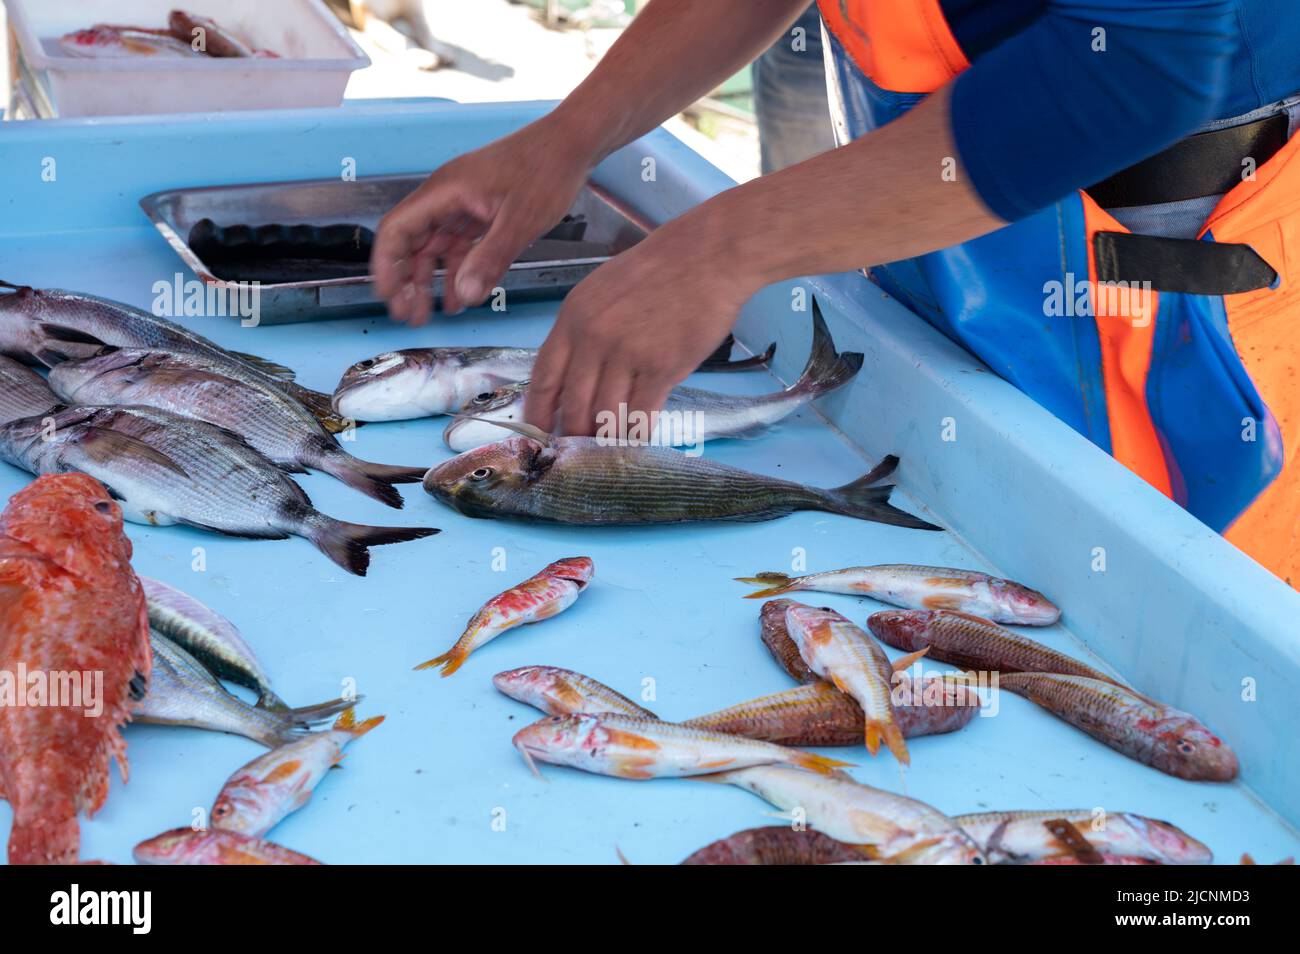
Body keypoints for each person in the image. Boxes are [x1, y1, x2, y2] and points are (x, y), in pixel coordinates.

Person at [371, 0, 1300, 585]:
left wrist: (718, 250)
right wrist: (572, 135)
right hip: (934, 204)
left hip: (1174, 260)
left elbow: (1134, 61)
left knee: (1180, 624)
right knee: (967, 526)